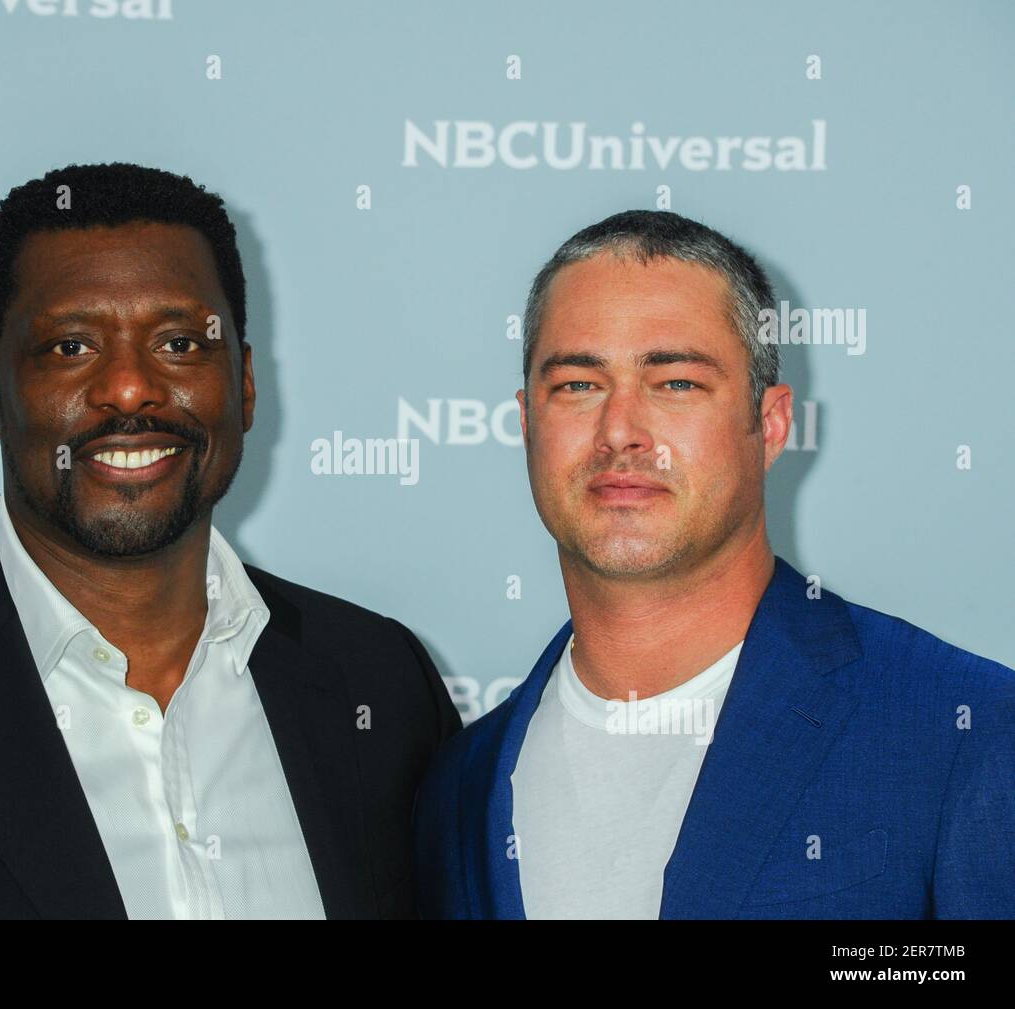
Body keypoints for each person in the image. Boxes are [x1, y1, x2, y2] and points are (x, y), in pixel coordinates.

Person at [0, 162, 461, 919]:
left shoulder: (380, 686)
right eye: (70, 348)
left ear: (243, 384)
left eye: (179, 343)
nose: (130, 388)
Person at [412, 210, 1015, 919]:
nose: (620, 432)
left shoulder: (964, 730)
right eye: (577, 384)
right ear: (526, 423)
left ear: (773, 424)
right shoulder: (461, 784)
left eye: (676, 384)